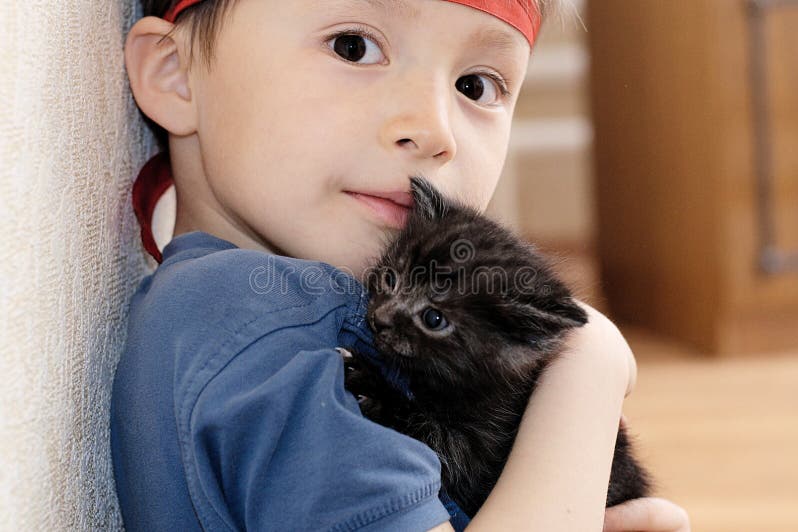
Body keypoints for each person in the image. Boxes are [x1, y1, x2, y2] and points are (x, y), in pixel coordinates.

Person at [112, 0, 691, 530]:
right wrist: (587, 373)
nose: (434, 129)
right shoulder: (273, 328)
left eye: (475, 84)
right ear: (176, 75)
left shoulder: (233, 314)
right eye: (353, 47)